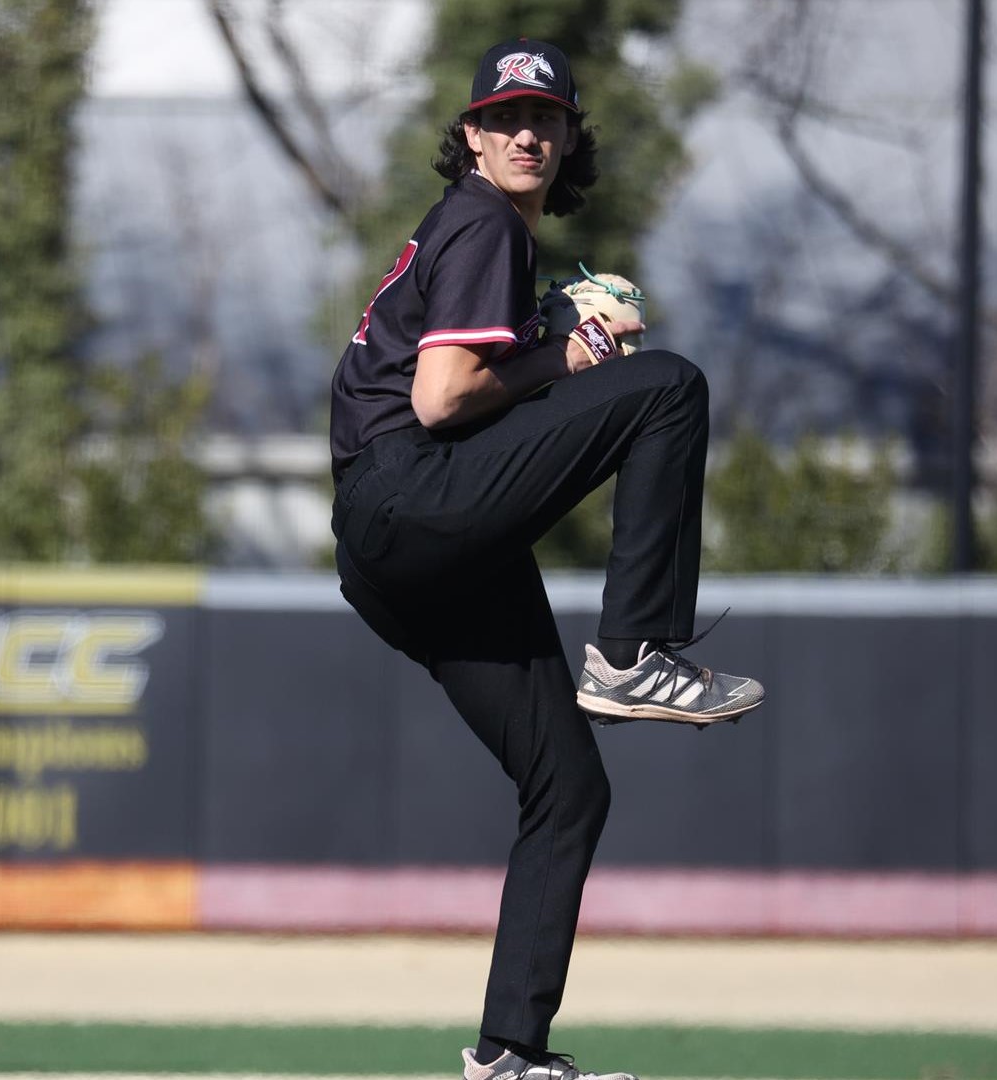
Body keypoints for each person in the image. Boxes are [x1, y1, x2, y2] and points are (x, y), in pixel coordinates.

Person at [328, 37, 766, 1080]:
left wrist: (545, 341)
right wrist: (571, 352)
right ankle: (632, 650)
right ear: (471, 135)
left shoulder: (481, 233)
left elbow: (465, 391)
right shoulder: (482, 217)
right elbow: (439, 400)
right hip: (414, 501)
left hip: (402, 544)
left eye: (549, 119)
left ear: (571, 140)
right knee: (665, 388)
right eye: (507, 117)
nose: (528, 133)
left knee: (568, 788)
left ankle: (509, 1054)